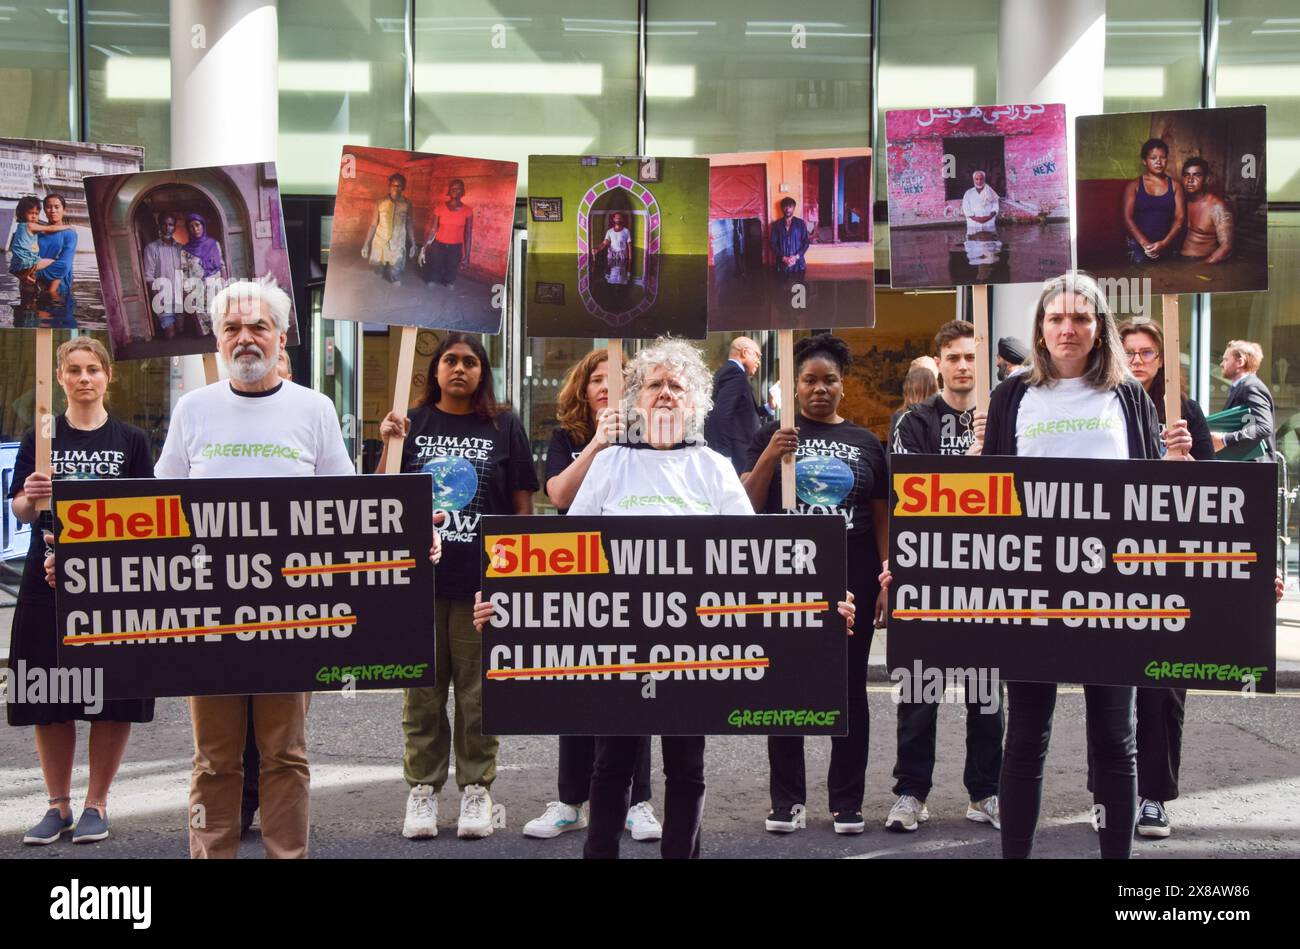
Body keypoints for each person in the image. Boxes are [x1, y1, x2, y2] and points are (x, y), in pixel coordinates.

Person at [471, 338, 854, 859]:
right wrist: (505, 609)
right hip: (618, 648)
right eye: (655, 385)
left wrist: (823, 607)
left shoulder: (715, 468)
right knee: (611, 766)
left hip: (694, 651)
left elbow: (757, 563)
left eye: (678, 385)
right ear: (635, 401)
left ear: (696, 400)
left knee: (687, 768)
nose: (667, 394)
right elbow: (560, 564)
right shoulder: (608, 467)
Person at [967, 271, 1190, 859]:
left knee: (1116, 740)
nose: (1068, 328)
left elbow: (1155, 501)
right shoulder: (1011, 396)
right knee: (1025, 737)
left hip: (1115, 594)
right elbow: (985, 502)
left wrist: (1178, 468)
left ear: (1100, 329)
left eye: (1081, 318)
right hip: (1030, 593)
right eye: (1057, 318)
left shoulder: (1129, 397)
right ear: (1040, 328)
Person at [155, 279, 356, 859]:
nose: (246, 339)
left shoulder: (314, 409)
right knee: (214, 758)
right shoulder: (192, 409)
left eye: (258, 327)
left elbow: (349, 511)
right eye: (233, 329)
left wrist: (419, 541)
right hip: (208, 619)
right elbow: (160, 511)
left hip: (291, 615)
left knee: (285, 755)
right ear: (218, 339)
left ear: (282, 335)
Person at [379, 333, 538, 841]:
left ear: (482, 372)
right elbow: (381, 497)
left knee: (477, 695)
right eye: (450, 360)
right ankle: (422, 789)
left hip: (480, 582)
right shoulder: (412, 423)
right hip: (419, 582)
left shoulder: (503, 425)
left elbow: (521, 505)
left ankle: (477, 789)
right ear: (435, 371)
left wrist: (515, 574)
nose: (460, 369)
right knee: (422, 693)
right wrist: (388, 443)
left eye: (470, 362)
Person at [8, 337, 155, 846]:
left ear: (108, 376)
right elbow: (22, 513)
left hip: (112, 583)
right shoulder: (42, 435)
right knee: (50, 691)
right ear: (60, 377)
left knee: (112, 692)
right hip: (44, 578)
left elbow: (149, 517)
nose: (85, 378)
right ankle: (57, 805)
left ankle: (97, 803)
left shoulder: (131, 439)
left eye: (93, 369)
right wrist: (31, 494)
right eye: (74, 370)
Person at [741, 334, 888, 836]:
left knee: (849, 686)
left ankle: (847, 800)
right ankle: (788, 801)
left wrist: (887, 576)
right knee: (785, 680)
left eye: (829, 380)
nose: (820, 389)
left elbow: (881, 515)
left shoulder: (867, 443)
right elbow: (745, 505)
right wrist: (769, 457)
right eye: (809, 380)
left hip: (854, 574)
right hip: (787, 575)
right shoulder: (771, 433)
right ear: (793, 386)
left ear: (842, 387)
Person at [522, 349, 661, 843]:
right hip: (578, 574)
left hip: (635, 577)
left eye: (617, 380)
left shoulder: (652, 440)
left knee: (636, 689)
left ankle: (637, 801)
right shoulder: (570, 438)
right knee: (578, 687)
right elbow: (558, 495)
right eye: (597, 380)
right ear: (583, 390)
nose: (606, 388)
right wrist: (600, 442)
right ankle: (569, 800)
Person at [886, 320, 1004, 833]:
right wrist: (972, 472)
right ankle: (912, 792)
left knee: (987, 691)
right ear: (939, 363)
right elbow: (912, 492)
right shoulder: (914, 420)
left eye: (970, 358)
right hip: (926, 571)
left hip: (989, 572)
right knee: (918, 693)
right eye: (953, 357)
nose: (962, 366)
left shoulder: (1003, 418)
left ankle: (986, 792)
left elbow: (1019, 496)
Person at [1110, 319, 1213, 839]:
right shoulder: (1102, 404)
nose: (1139, 361)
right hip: (1107, 569)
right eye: (1130, 351)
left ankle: (1153, 797)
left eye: (1149, 352)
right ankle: (1110, 794)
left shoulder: (1183, 412)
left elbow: (1218, 498)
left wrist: (1187, 454)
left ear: (1164, 360)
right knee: (1106, 690)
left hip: (1167, 571)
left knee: (1163, 689)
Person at [702, 336, 765, 473]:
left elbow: (741, 414)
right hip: (735, 460)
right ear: (744, 352)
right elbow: (721, 415)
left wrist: (769, 408)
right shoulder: (734, 374)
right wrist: (724, 456)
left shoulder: (731, 373)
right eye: (757, 355)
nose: (758, 362)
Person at [1122, 139, 1185, 265]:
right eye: (1153, 157)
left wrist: (1164, 243)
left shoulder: (1175, 186)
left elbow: (1180, 218)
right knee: (1142, 279)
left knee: (1169, 280)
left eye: (1163, 157)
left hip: (1167, 243)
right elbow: (1127, 218)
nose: (1158, 162)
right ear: (1144, 161)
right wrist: (1146, 245)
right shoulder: (1134, 185)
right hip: (1139, 245)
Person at [1215, 339, 1276, 461]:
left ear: (1240, 362)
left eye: (1226, 359)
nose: (1222, 364)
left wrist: (1225, 439)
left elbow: (1264, 427)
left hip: (1253, 470)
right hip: (1245, 468)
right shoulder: (1242, 387)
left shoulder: (1251, 386)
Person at [7, 195, 71, 296]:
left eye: (36, 214)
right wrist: (68, 226)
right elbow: (51, 228)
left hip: (17, 264)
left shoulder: (20, 227)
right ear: (23, 214)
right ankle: (52, 293)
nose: (34, 216)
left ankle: (29, 277)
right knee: (56, 263)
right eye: (30, 213)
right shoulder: (31, 225)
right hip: (28, 261)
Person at [418, 178, 474, 288]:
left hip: (456, 245)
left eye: (458, 188)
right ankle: (433, 278)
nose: (455, 190)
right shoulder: (440, 208)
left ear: (463, 192)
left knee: (452, 266)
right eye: (453, 188)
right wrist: (424, 247)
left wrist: (467, 255)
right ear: (449, 190)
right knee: (435, 263)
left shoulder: (468, 211)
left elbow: (468, 234)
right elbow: (433, 229)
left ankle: (449, 281)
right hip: (439, 243)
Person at [362, 173, 416, 285]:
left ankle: (394, 276)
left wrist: (414, 244)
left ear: (403, 187)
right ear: (389, 186)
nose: (396, 188)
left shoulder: (407, 204)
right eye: (393, 185)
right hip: (381, 239)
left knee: (395, 269)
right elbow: (373, 224)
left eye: (399, 186)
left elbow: (409, 224)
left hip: (398, 240)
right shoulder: (380, 202)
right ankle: (381, 270)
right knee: (379, 267)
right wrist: (366, 244)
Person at [1178, 158, 1233, 263]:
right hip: (1181, 260)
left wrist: (1203, 266)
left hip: (1202, 261)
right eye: (1186, 175)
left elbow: (1227, 246)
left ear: (1206, 179)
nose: (1190, 180)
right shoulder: (1181, 201)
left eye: (1197, 175)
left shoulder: (1217, 206)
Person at [142, 211, 186, 339]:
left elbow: (186, 273)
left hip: (180, 297)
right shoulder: (151, 248)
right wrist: (157, 300)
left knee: (182, 330)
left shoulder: (181, 248)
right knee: (170, 334)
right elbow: (149, 277)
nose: (168, 228)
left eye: (171, 225)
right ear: (159, 226)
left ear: (175, 227)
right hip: (162, 297)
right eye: (164, 224)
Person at [182, 213, 223, 335]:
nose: (195, 229)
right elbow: (184, 273)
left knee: (218, 321)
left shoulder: (214, 244)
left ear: (203, 226)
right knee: (203, 327)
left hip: (215, 286)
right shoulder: (185, 250)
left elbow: (221, 265)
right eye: (191, 226)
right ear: (188, 229)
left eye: (197, 225)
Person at [36, 194, 78, 300]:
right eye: (49, 207)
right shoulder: (36, 233)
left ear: (64, 210)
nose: (53, 210)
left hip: (59, 292)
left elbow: (63, 266)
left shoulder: (69, 234)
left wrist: (32, 273)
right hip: (34, 288)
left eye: (57, 207)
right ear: (44, 210)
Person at [887, 365, 939, 451]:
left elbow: (891, 454)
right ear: (934, 387)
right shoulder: (941, 414)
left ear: (908, 388)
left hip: (910, 462)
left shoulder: (901, 415)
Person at [770, 198, 810, 273]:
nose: (787, 209)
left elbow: (806, 242)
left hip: (798, 265)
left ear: (794, 208)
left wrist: (796, 257)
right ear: (782, 208)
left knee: (799, 285)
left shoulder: (800, 223)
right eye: (785, 206)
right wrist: (784, 258)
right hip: (781, 266)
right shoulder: (776, 224)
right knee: (781, 284)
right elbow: (773, 244)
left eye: (790, 206)